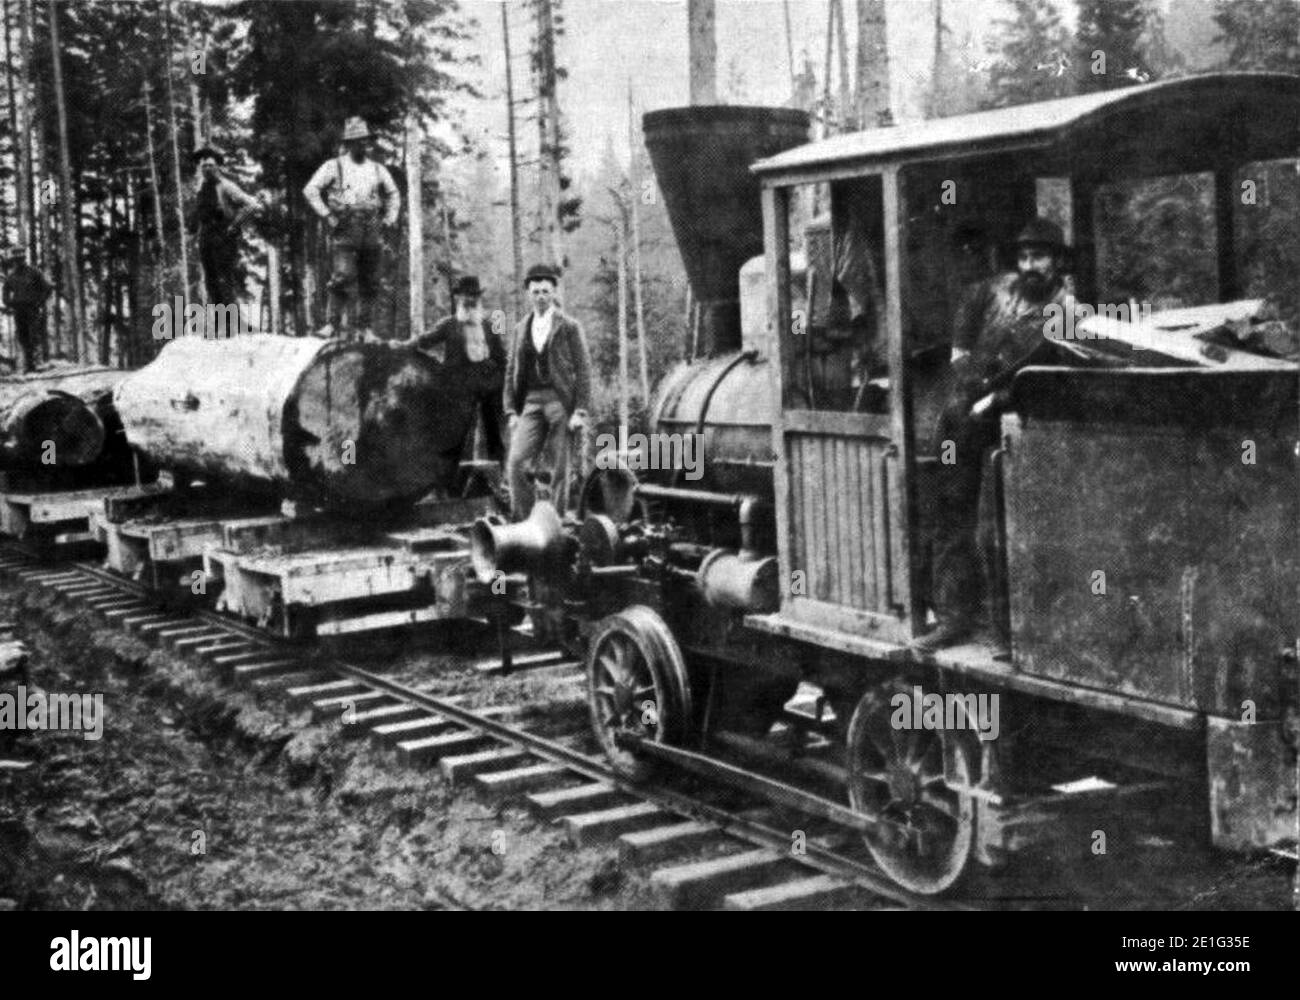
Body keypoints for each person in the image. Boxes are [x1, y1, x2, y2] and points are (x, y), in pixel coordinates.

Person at [915, 217, 1076, 652]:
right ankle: (953, 619)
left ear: (1058, 261)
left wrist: (997, 399)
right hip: (961, 423)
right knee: (950, 515)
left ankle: (1009, 632)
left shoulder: (1069, 312)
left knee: (999, 530)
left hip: (1015, 430)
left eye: (1039, 257)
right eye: (1024, 257)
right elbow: (962, 339)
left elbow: (1054, 378)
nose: (1029, 266)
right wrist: (969, 376)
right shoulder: (993, 291)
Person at [503, 264, 592, 520]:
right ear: (528, 294)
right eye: (535, 292)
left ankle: (555, 524)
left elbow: (584, 369)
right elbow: (511, 370)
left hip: (560, 401)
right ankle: (525, 522)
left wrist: (580, 410)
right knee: (516, 463)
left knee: (560, 468)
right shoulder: (521, 328)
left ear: (554, 293)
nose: (541, 296)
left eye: (545, 291)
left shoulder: (569, 326)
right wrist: (511, 411)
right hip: (530, 402)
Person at [303, 117, 401, 339]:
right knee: (343, 275)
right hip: (345, 227)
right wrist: (327, 214)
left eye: (365, 140)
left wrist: (390, 217)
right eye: (357, 140)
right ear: (348, 143)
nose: (363, 144)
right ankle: (332, 324)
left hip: (372, 227)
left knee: (371, 280)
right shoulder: (333, 166)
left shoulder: (377, 169)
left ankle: (365, 329)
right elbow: (311, 190)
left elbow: (393, 193)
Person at [412, 274, 507, 470]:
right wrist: (402, 346)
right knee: (455, 436)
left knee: (494, 435)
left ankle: (500, 476)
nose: (470, 299)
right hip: (459, 389)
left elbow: (501, 357)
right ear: (458, 298)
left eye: (474, 295)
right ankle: (451, 478)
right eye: (466, 295)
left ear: (478, 298)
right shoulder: (448, 325)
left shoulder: (490, 326)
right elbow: (424, 341)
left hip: (489, 389)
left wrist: (503, 383)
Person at [188, 144, 260, 308]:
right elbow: (198, 212)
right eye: (204, 166)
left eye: (211, 165)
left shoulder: (226, 186)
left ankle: (231, 321)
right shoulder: (201, 187)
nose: (207, 168)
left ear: (218, 167)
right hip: (206, 238)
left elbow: (252, 205)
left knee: (224, 281)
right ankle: (221, 320)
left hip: (223, 238)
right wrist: (192, 231)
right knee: (211, 282)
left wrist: (235, 225)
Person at [2, 249, 53, 372]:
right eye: (16, 259)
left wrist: (39, 301)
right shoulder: (11, 276)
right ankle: (29, 366)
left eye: (21, 259)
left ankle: (38, 363)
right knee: (23, 337)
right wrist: (11, 303)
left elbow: (47, 288)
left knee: (34, 335)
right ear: (13, 260)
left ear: (24, 258)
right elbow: (5, 294)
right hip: (19, 311)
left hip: (32, 309)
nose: (19, 261)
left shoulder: (34, 272)